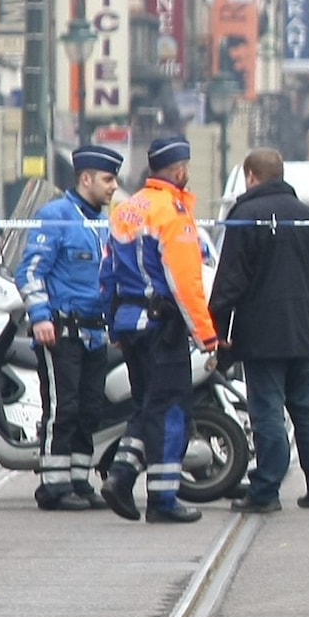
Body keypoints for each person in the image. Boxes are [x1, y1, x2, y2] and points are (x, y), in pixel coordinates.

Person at [208, 149, 309, 514]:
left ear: (251, 176)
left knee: (266, 409)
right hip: (301, 332)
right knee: (305, 407)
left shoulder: (244, 216)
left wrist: (217, 327)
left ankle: (266, 489)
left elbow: (230, 281)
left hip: (261, 333)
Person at [103, 136, 220, 523]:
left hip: (130, 324)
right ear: (180, 169)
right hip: (160, 326)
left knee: (146, 406)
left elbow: (107, 274)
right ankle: (163, 499)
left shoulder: (126, 209)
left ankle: (120, 476)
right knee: (171, 410)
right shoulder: (172, 214)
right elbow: (186, 281)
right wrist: (206, 335)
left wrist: (112, 322)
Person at [15, 144, 120, 510]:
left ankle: (78, 478)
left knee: (91, 408)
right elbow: (29, 271)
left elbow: (107, 280)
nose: (114, 187)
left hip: (94, 332)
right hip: (60, 331)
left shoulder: (102, 224)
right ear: (86, 178)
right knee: (64, 408)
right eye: (108, 179)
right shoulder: (56, 215)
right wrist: (40, 315)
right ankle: (53, 485)